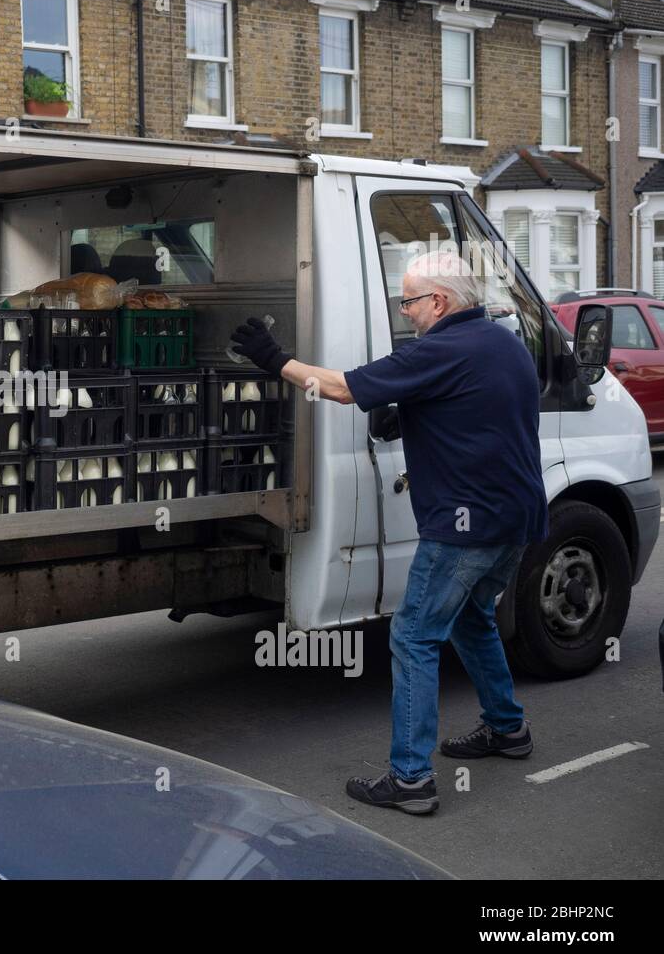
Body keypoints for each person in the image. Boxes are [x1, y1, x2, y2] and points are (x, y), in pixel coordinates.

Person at [230, 249, 547, 816]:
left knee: (414, 635)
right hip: (518, 516)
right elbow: (486, 409)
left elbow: (342, 389)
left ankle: (411, 779)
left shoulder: (441, 348)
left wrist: (274, 360)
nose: (405, 312)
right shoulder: (504, 343)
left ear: (441, 301)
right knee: (472, 619)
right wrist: (415, 412)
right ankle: (507, 729)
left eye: (410, 301)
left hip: (463, 525)